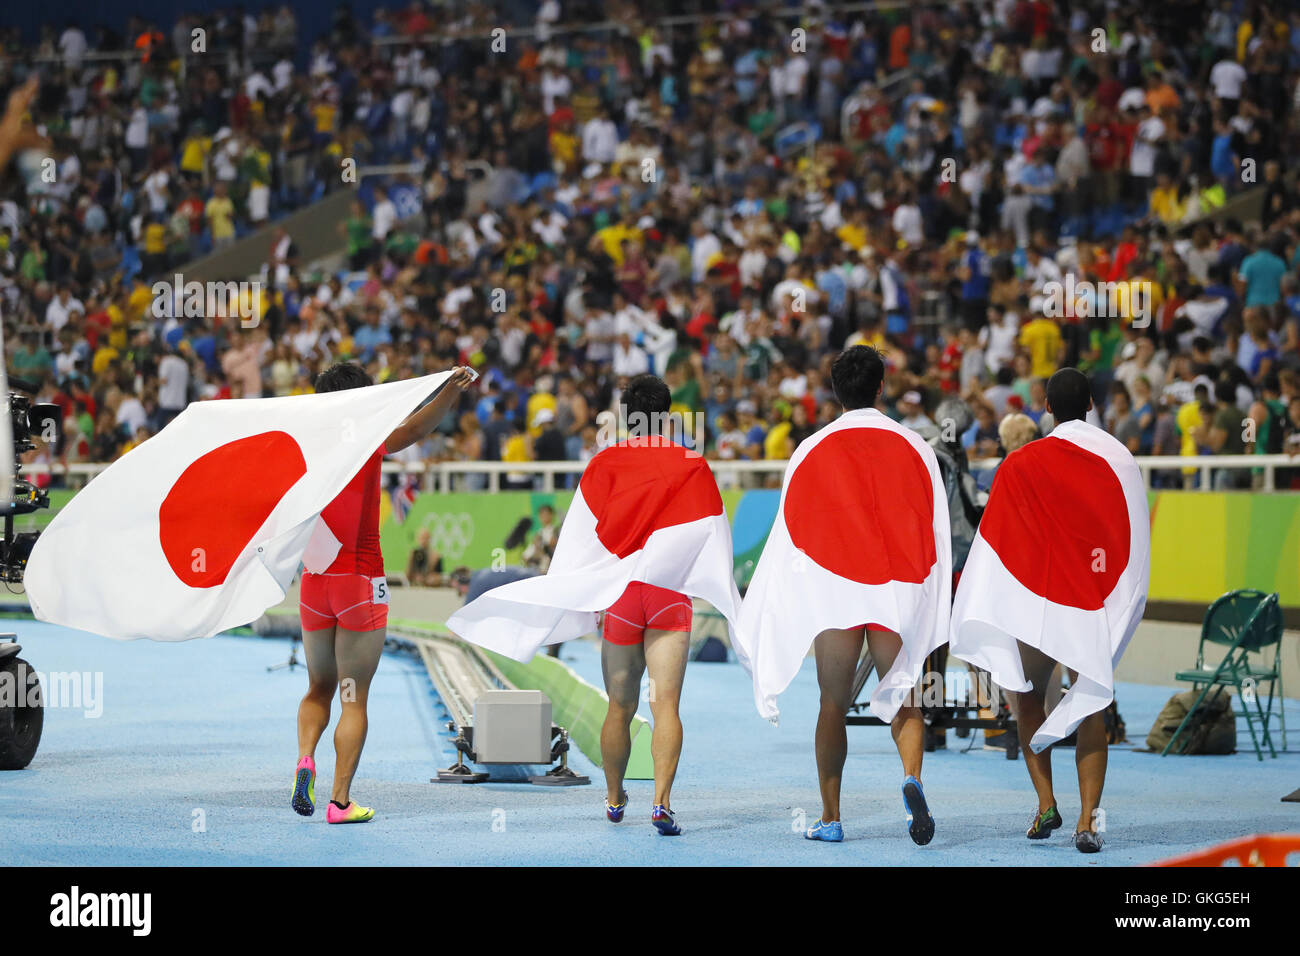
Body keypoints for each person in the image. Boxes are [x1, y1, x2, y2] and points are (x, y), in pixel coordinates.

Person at [449, 373, 744, 837]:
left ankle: (613, 799)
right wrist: (724, 592)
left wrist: (579, 593)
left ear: (626, 416)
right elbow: (712, 532)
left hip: (624, 597)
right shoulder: (692, 463)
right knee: (666, 705)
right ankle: (661, 803)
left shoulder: (604, 462)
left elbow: (580, 540)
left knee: (620, 708)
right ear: (666, 416)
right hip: (669, 596)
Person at [735, 346, 952, 845]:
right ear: (881, 388)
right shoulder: (915, 445)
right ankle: (912, 778)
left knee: (831, 704)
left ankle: (831, 819)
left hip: (835, 593)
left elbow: (791, 533)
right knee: (906, 697)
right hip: (894, 588)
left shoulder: (809, 448)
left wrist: (789, 599)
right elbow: (933, 527)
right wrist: (928, 595)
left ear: (835, 393)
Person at [950, 368, 1150, 854]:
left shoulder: (1019, 463)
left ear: (1045, 407)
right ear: (1090, 404)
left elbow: (996, 542)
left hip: (1038, 605)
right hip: (1088, 606)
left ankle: (1045, 804)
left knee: (1026, 698)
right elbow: (1130, 535)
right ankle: (1086, 822)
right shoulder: (1119, 458)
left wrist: (990, 599)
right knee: (1091, 702)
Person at [292, 363, 476, 824]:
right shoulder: (367, 439)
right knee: (353, 696)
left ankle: (304, 759)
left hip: (314, 584)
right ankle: (338, 802)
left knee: (318, 687)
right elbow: (417, 427)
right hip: (359, 585)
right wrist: (449, 390)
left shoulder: (305, 449)